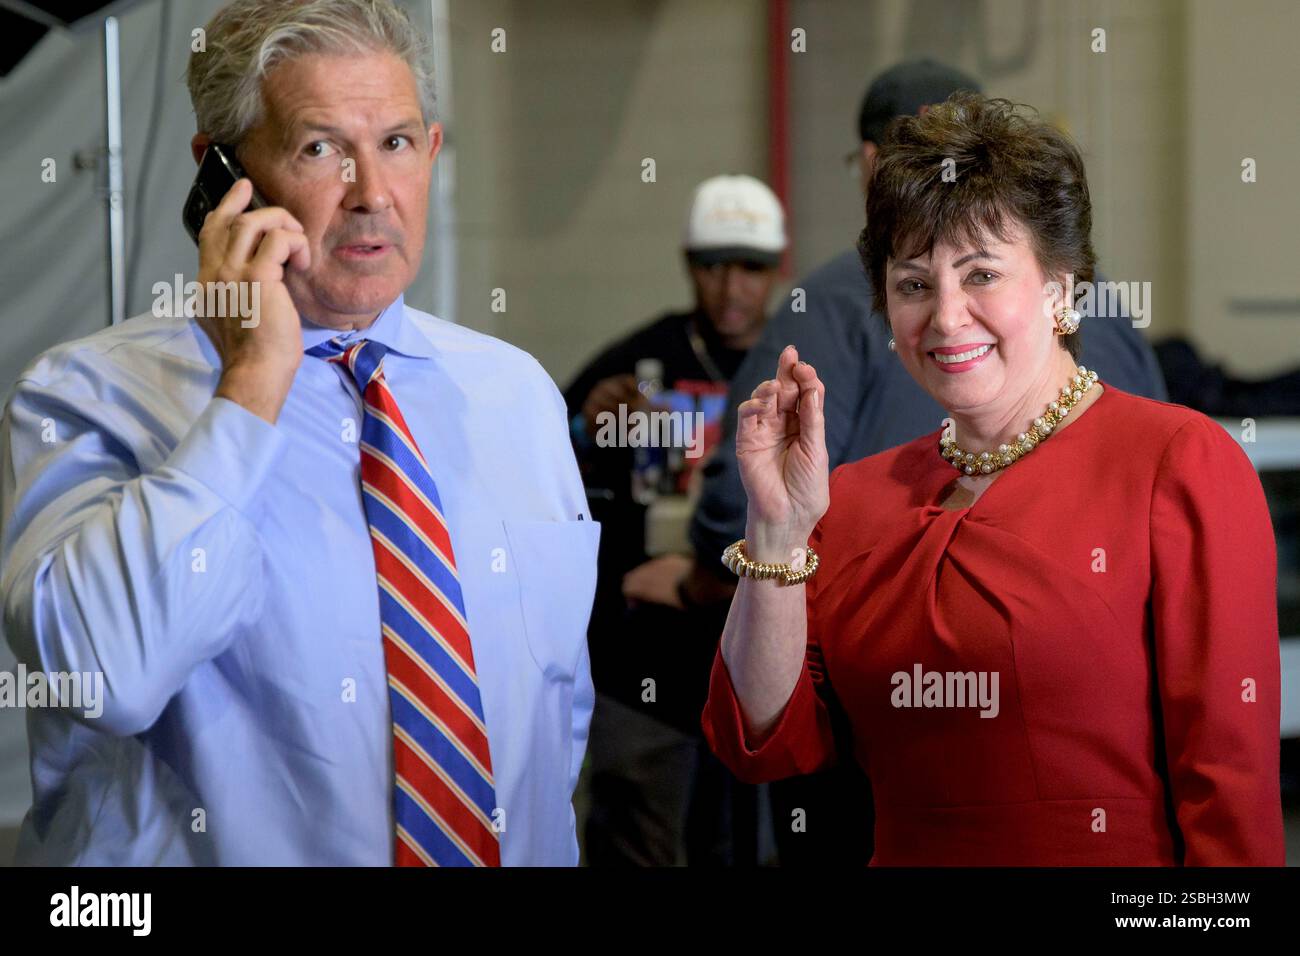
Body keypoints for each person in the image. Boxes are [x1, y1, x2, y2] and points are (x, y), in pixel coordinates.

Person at [0, 0, 597, 866]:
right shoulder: (89, 393)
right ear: (222, 180)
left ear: (432, 153)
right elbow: (111, 674)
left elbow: (552, 726)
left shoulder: (515, 396)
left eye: (395, 143)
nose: (371, 195)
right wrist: (249, 385)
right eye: (321, 148)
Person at [701, 92, 1284, 866]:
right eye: (913, 285)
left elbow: (1229, 793)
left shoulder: (1177, 463)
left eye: (981, 274)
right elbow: (764, 743)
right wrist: (775, 526)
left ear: (1061, 289)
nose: (945, 319)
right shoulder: (856, 499)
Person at [563, 174, 786, 864]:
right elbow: (547, 477)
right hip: (644, 675)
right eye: (714, 267)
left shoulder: (798, 361)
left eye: (751, 268)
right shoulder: (636, 365)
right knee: (638, 846)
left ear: (777, 272)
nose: (732, 288)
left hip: (765, 671)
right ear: (690, 265)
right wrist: (584, 428)